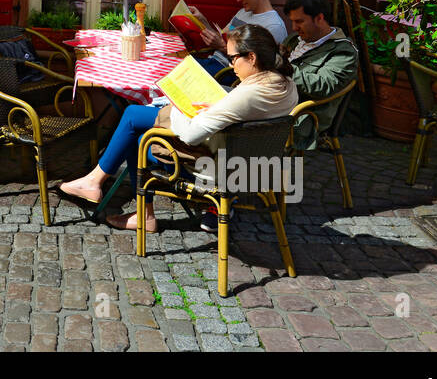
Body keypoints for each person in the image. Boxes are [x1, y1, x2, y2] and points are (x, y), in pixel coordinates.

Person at [60, 23, 298, 232]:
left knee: (138, 134)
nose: (231, 64)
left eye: (233, 58)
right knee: (135, 119)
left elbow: (192, 135)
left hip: (220, 170)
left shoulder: (247, 94)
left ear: (252, 58)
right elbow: (243, 107)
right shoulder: (285, 84)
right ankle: (100, 184)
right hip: (257, 166)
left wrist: (177, 105)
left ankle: (135, 208)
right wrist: (220, 100)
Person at [281, 0, 360, 151]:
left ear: (319, 18)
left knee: (240, 123)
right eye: (292, 21)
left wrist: (281, 67)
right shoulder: (295, 39)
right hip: (275, 101)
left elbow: (324, 86)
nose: (294, 27)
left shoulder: (343, 51)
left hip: (302, 116)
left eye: (299, 21)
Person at [192, 0, 288, 74]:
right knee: (179, 64)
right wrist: (202, 20)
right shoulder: (243, 12)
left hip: (228, 72)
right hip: (213, 61)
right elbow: (220, 38)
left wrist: (221, 46)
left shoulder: (274, 26)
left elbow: (257, 65)